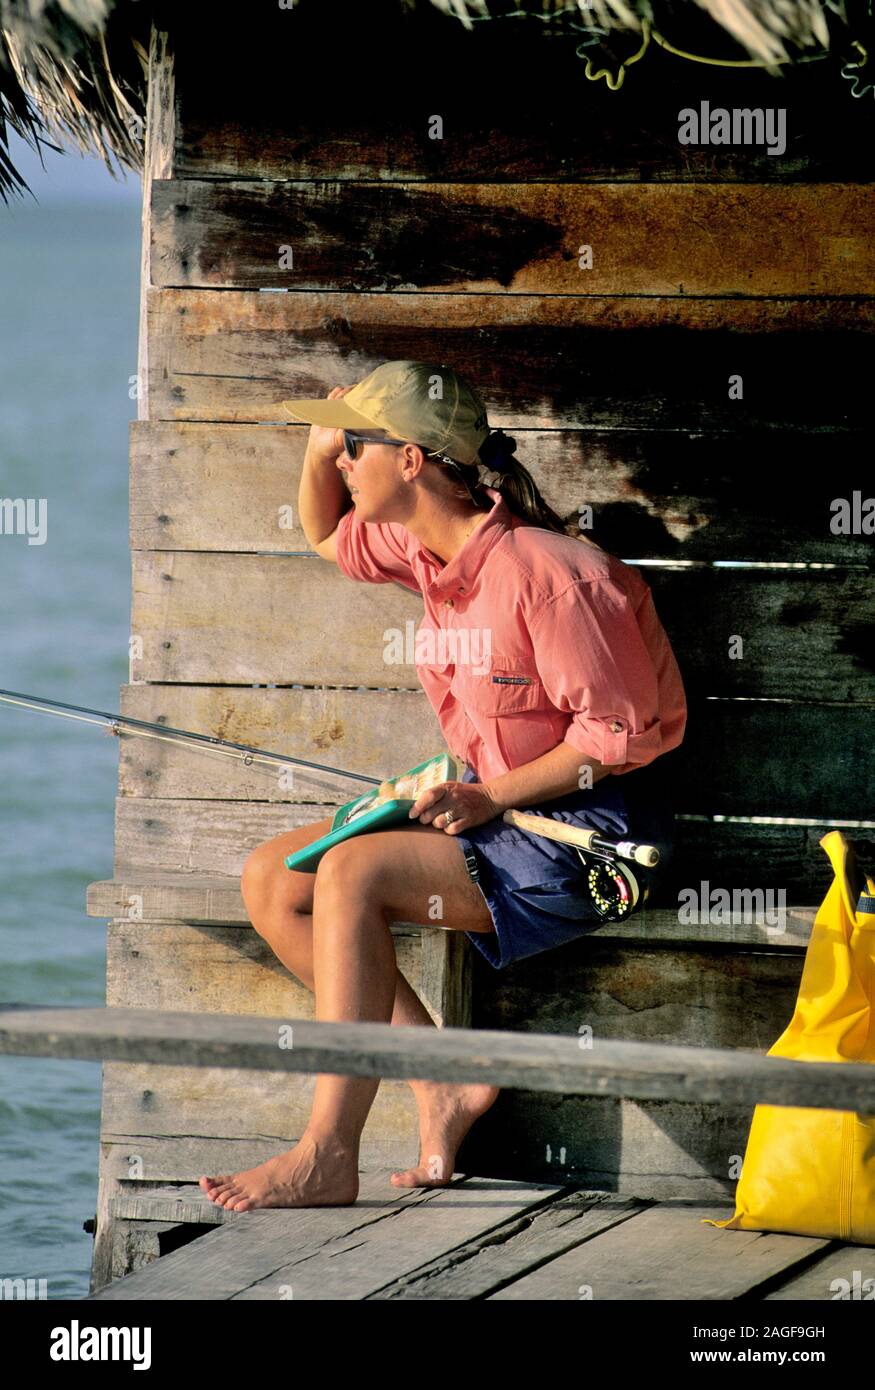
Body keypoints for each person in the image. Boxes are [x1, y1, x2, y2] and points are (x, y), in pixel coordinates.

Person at [199, 359, 687, 1212]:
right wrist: (324, 445)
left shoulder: (553, 577)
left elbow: (612, 737)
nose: (343, 462)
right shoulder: (424, 552)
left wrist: (492, 795)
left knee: (353, 874)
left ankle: (325, 1153)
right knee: (275, 878)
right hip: (499, 814)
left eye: (355, 446)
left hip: (591, 840)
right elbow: (325, 534)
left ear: (413, 460)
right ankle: (442, 1083)